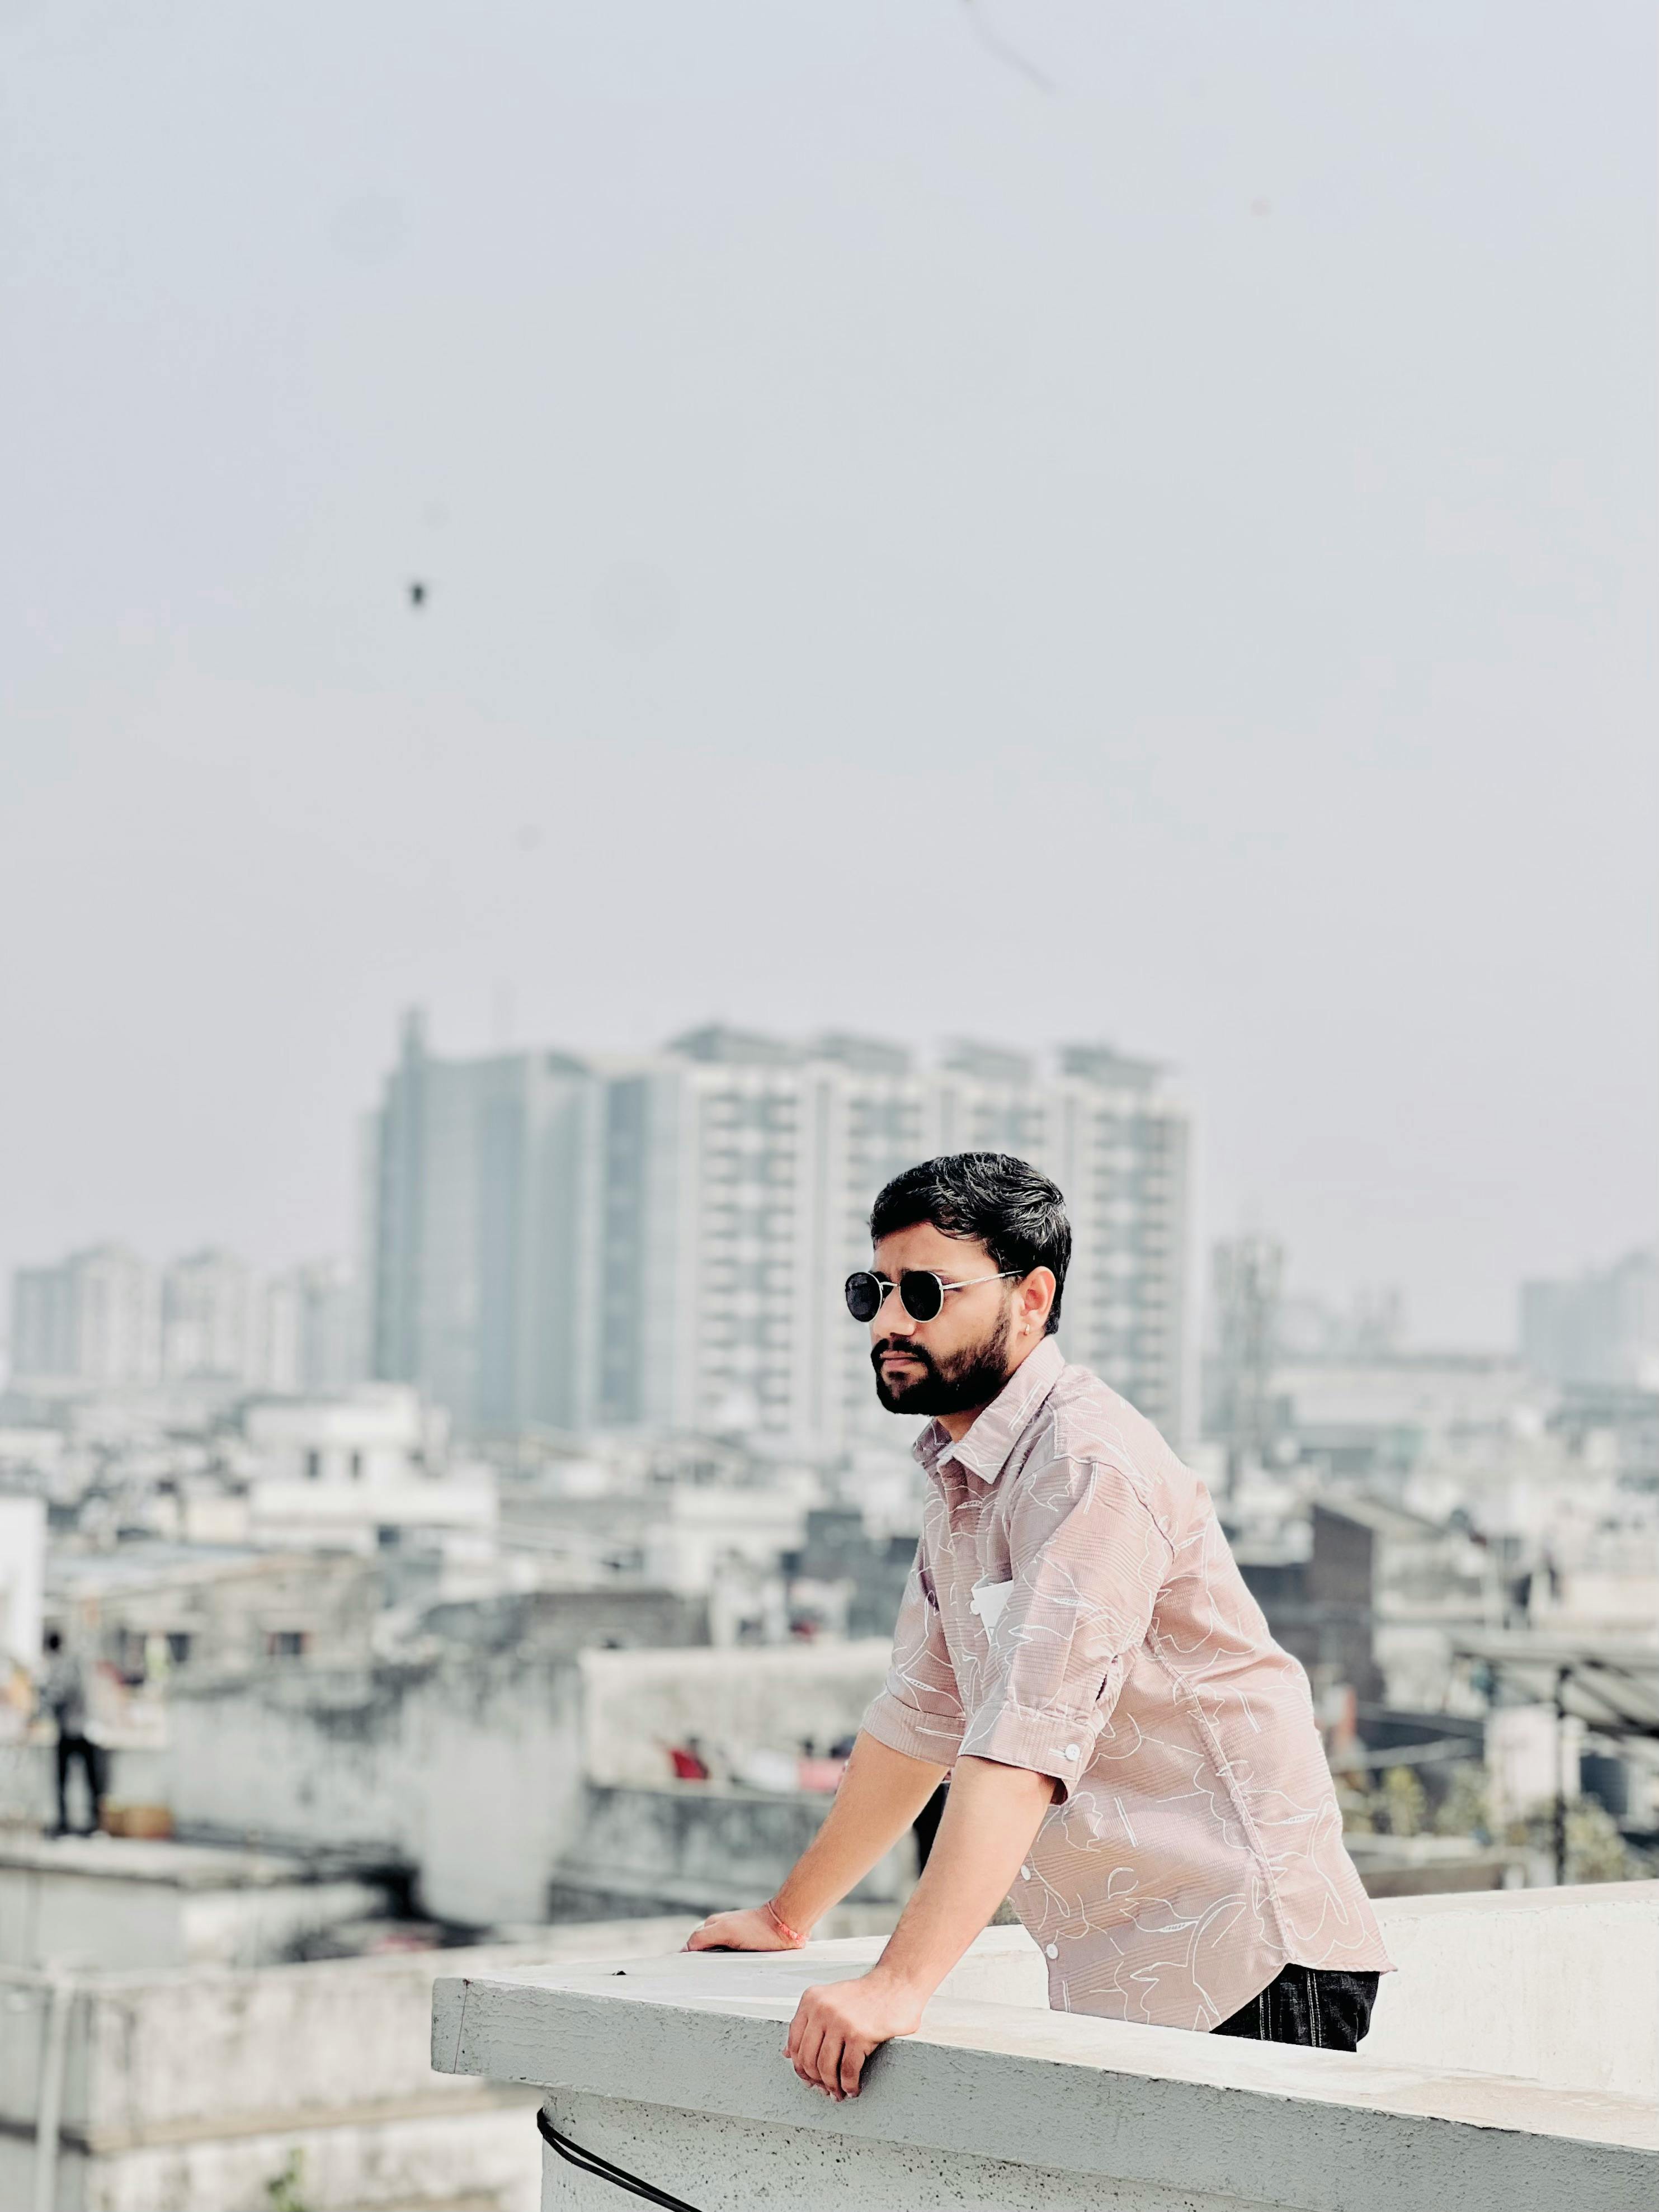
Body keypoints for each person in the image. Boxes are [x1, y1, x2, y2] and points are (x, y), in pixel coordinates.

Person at [688, 1153, 1391, 2099]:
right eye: (875, 1291)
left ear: (1030, 1298)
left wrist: (899, 1985)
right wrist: (787, 1917)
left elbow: (1025, 1743)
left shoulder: (1086, 1465)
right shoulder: (962, 1468)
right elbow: (921, 1718)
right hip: (1130, 1973)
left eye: (926, 1292)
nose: (891, 1323)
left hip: (1247, 1956)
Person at [41, 1629, 105, 1837]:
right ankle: (90, 1823)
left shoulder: (62, 1665)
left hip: (72, 1730)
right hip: (84, 1728)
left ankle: (69, 1823)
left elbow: (58, 1695)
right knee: (88, 1780)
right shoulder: (76, 1663)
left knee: (67, 1780)